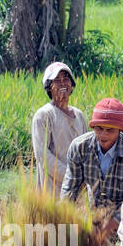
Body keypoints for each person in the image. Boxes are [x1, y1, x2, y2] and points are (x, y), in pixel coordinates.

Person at [62, 97, 123, 242]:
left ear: (120, 130)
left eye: (110, 130)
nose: (103, 134)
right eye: (99, 129)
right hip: (95, 220)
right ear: (93, 127)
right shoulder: (80, 148)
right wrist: (62, 218)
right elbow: (70, 190)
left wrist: (109, 227)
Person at [30, 61, 86, 192]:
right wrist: (71, 177)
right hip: (52, 191)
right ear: (49, 87)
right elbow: (43, 156)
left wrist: (83, 178)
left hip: (78, 190)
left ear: (72, 85)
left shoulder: (79, 115)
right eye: (57, 80)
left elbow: (86, 151)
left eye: (66, 79)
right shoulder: (43, 115)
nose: (63, 83)